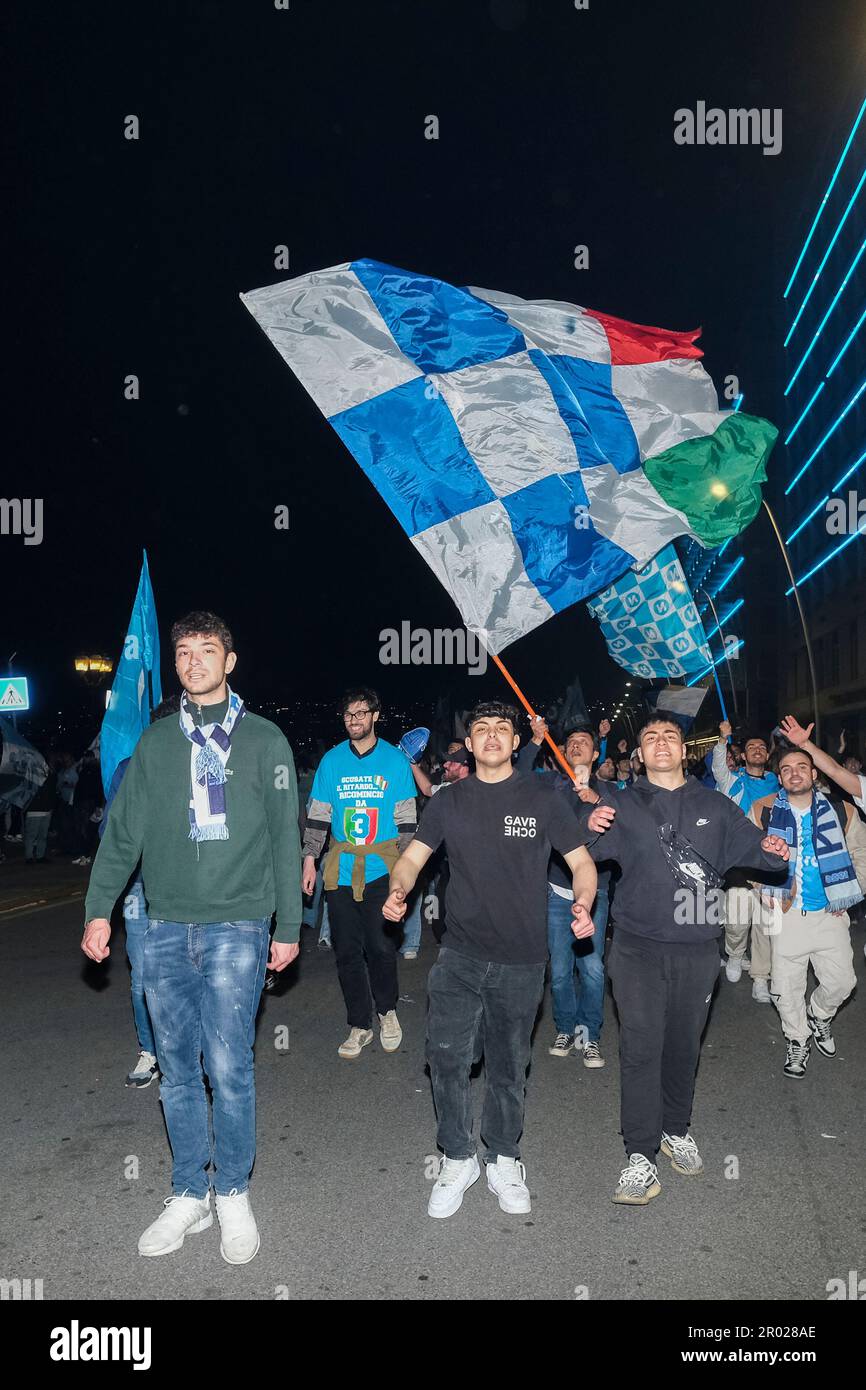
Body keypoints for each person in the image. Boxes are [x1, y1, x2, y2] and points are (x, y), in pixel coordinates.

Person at [82, 611, 301, 1264]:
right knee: (177, 1068)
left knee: (229, 1065)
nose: (195, 661)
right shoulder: (153, 746)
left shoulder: (266, 742)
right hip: (163, 925)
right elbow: (123, 833)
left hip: (240, 922)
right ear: (175, 664)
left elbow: (286, 836)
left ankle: (232, 1189)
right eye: (184, 651)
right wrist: (99, 908)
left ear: (230, 662)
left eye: (208, 650)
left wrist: (288, 925)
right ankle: (188, 1193)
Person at [383, 702, 598, 1220]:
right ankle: (458, 1157)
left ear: (516, 741)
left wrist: (583, 902)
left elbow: (582, 862)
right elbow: (413, 857)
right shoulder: (449, 801)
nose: (493, 736)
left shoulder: (543, 797)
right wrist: (398, 887)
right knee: (447, 1058)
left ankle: (503, 1155)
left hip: (522, 959)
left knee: (508, 1066)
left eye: (503, 728)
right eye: (482, 729)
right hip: (457, 954)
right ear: (470, 744)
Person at [586, 716, 788, 1206]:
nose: (660, 743)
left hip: (698, 948)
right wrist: (586, 825)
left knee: (682, 1047)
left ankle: (676, 1129)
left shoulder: (714, 805)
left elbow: (763, 854)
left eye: (670, 737)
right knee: (639, 1047)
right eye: (650, 738)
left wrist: (775, 850)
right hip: (634, 946)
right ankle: (639, 1155)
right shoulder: (621, 802)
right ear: (638, 754)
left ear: (683, 751)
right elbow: (583, 853)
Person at [301, 688, 417, 1059]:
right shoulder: (332, 762)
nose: (354, 720)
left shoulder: (395, 762)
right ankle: (359, 1024)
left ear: (375, 716)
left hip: (383, 867)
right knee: (347, 951)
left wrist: (405, 873)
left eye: (361, 713)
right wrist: (308, 860)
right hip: (340, 868)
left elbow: (407, 821)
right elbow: (319, 815)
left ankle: (387, 1012)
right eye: (348, 715)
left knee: (381, 947)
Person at [747, 745, 864, 1078]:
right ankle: (798, 1039)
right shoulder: (763, 811)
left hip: (831, 914)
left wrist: (848, 894)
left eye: (802, 767)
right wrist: (763, 890)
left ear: (815, 774)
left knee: (843, 983)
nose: (794, 772)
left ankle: (820, 1015)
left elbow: (862, 854)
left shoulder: (842, 811)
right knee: (785, 988)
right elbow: (747, 856)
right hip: (786, 913)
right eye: (786, 768)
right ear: (780, 778)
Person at [518, 716, 611, 1068]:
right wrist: (535, 741)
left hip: (595, 894)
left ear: (596, 752)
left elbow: (616, 829)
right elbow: (521, 775)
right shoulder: (551, 785)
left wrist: (595, 799)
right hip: (557, 892)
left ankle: (591, 1035)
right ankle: (565, 1026)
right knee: (558, 969)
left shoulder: (609, 790)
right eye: (570, 741)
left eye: (583, 741)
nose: (575, 745)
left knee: (591, 969)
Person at [99, 695, 181, 1088]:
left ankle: (184, 1051)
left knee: (188, 972)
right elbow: (110, 835)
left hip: (189, 890)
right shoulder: (128, 771)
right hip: (139, 890)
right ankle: (150, 1050)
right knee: (142, 976)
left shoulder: (202, 768)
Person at [711, 721, 779, 1003]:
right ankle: (736, 954)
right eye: (751, 747)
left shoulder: (778, 781)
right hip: (738, 859)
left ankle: (761, 978)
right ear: (743, 755)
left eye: (762, 747)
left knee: (766, 922)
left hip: (770, 860)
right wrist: (723, 739)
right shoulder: (732, 781)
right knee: (737, 919)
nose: (757, 750)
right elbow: (717, 767)